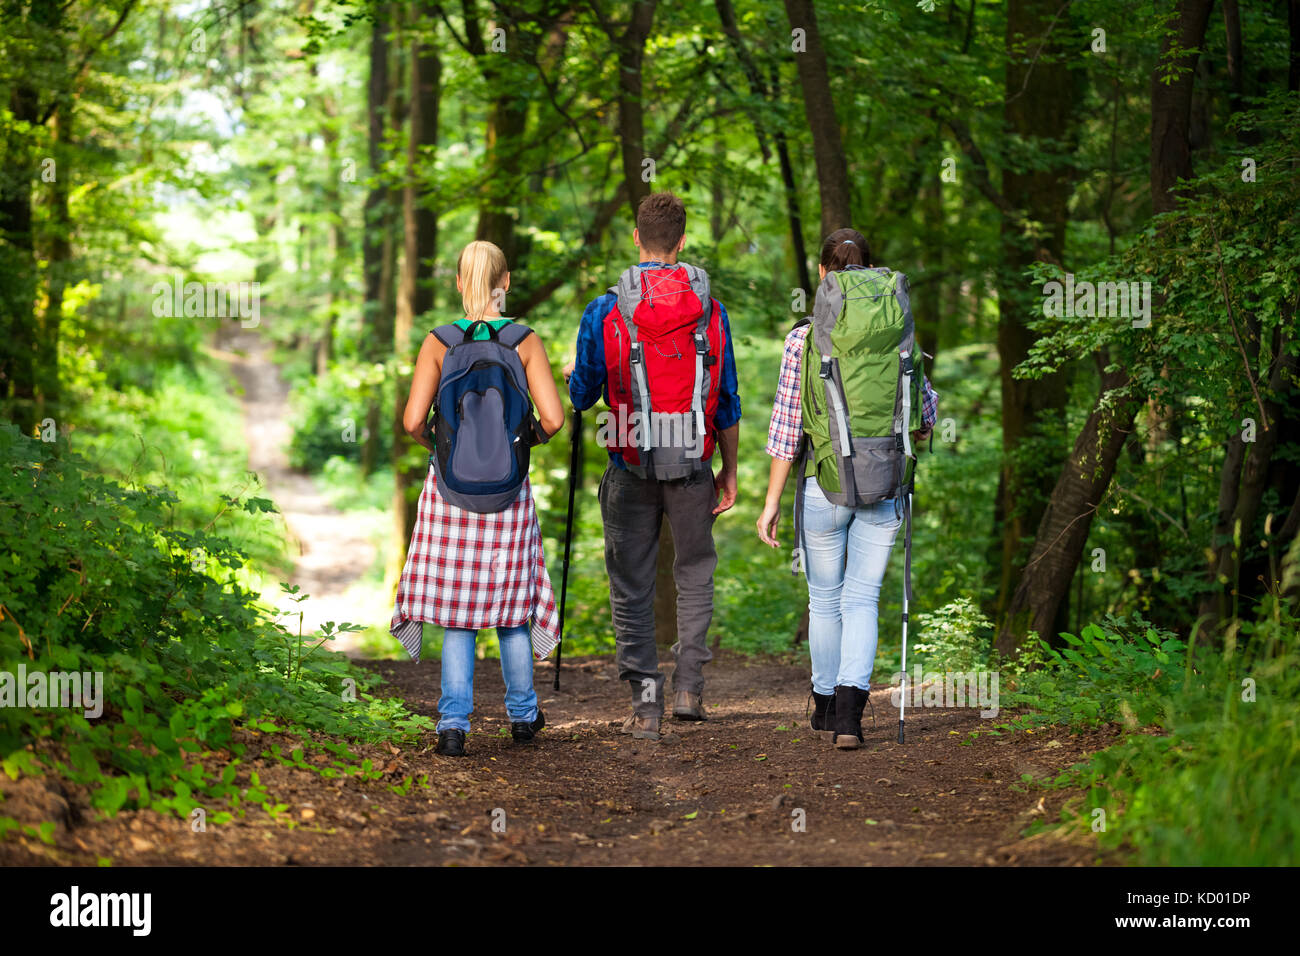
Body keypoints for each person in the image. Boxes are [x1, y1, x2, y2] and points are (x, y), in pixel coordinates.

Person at [564, 192, 741, 740]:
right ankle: (688, 687)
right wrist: (728, 471)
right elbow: (727, 398)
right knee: (694, 573)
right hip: (692, 460)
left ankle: (647, 705)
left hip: (630, 459)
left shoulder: (605, 309)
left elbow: (581, 395)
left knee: (631, 582)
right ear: (682, 242)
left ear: (637, 239)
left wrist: (574, 369)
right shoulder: (710, 309)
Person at [756, 228, 938, 749]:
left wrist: (770, 504)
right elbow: (923, 415)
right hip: (885, 484)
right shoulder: (899, 333)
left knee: (824, 600)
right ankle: (851, 719)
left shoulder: (804, 338)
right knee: (864, 598)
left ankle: (825, 704)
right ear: (870, 271)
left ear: (822, 274)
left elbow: (786, 430)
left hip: (824, 485)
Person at [390, 240, 566, 758]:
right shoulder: (523, 340)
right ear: (505, 282)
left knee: (458, 612)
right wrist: (518, 443)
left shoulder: (438, 342)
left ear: (460, 284)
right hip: (509, 495)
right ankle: (521, 715)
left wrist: (443, 448)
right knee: (511, 607)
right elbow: (553, 419)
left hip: (449, 494)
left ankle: (452, 725)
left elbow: (410, 421)